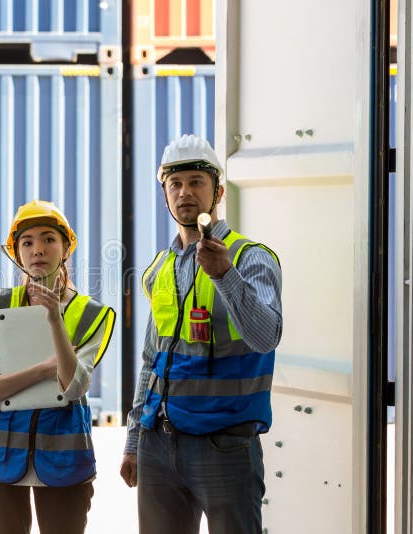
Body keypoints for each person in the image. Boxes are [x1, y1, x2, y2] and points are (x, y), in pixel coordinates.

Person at [119, 134, 283, 533]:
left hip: (225, 446)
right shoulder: (161, 267)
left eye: (196, 182)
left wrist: (225, 275)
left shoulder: (250, 258)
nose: (185, 192)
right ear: (165, 195)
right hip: (159, 443)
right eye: (175, 184)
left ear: (218, 192)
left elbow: (266, 336)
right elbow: (151, 359)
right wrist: (135, 438)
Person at [0, 199, 116, 534]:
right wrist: (44, 370)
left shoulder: (91, 315)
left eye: (49, 239)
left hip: (63, 458)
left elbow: (74, 387)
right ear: (17, 253)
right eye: (27, 242)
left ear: (65, 249)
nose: (38, 249)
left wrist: (54, 320)